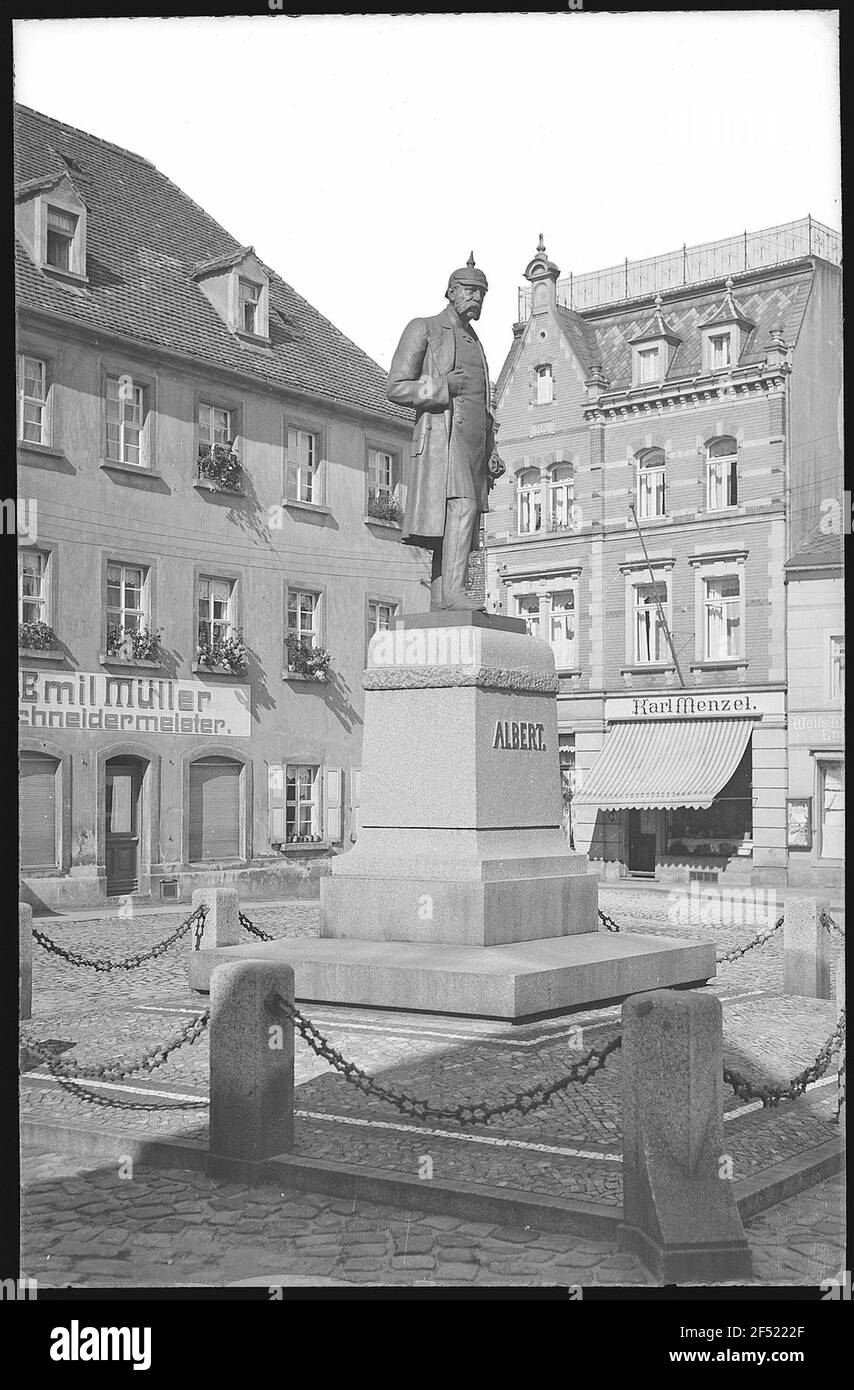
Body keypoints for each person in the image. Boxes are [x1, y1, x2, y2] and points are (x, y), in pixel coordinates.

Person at [387, 254, 506, 610]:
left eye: (482, 293)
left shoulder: (477, 344)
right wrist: (440, 387)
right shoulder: (424, 328)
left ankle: (442, 600)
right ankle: (454, 595)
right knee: (461, 510)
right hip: (443, 439)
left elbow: (483, 405)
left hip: (472, 447)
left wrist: (491, 450)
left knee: (457, 526)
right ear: (451, 292)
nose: (476, 298)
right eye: (469, 290)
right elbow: (395, 387)